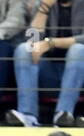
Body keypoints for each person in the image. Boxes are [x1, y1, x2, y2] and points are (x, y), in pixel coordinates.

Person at [8, 0, 84, 128]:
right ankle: (28, 115)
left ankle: (63, 114)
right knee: (23, 49)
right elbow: (31, 40)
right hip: (48, 73)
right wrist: (44, 8)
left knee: (78, 50)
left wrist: (51, 43)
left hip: (78, 74)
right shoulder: (43, 4)